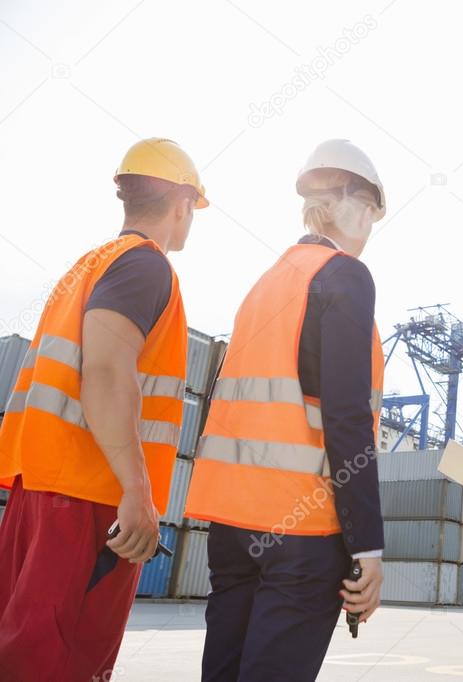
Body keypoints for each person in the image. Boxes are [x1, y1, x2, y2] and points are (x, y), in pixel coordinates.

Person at [0, 138, 208, 681]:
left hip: (40, 489)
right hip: (90, 501)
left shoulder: (87, 267)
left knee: (21, 650)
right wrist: (137, 491)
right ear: (182, 202)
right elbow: (107, 372)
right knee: (60, 663)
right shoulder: (145, 266)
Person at [184, 139, 387, 682]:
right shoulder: (346, 275)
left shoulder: (268, 282)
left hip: (232, 524)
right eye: (371, 211)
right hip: (301, 530)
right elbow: (346, 417)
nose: (371, 225)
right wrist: (367, 544)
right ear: (349, 203)